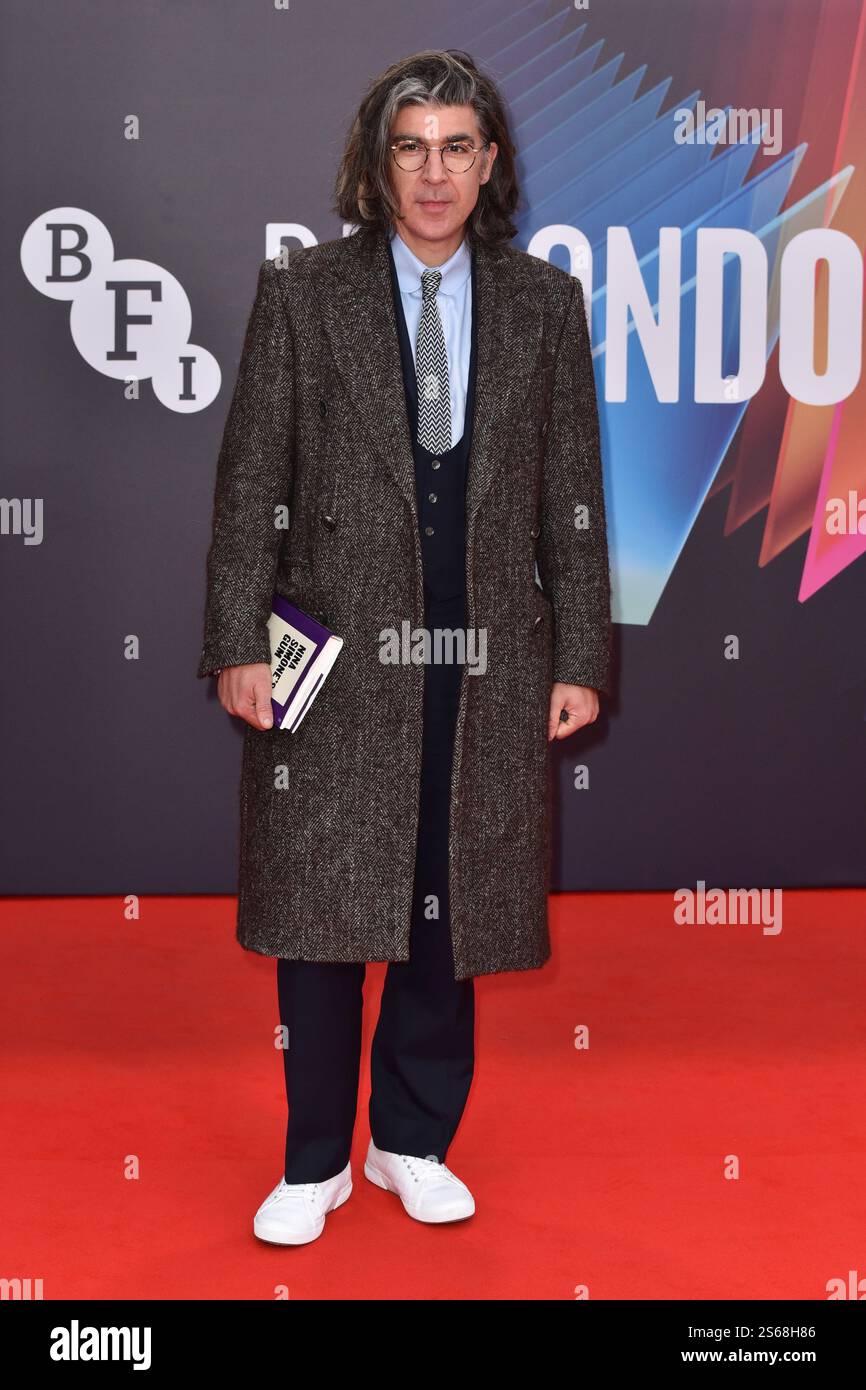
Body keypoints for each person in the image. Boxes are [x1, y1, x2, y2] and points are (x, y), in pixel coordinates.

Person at [196, 49, 612, 1245]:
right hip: (329, 653)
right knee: (324, 904)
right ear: (376, 167)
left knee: (450, 902)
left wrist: (576, 652)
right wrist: (236, 638)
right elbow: (247, 487)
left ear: (489, 163)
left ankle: (412, 1139)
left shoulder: (543, 303)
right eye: (409, 147)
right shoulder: (303, 294)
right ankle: (315, 1158)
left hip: (483, 657)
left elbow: (570, 499)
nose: (434, 173)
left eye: (456, 147)